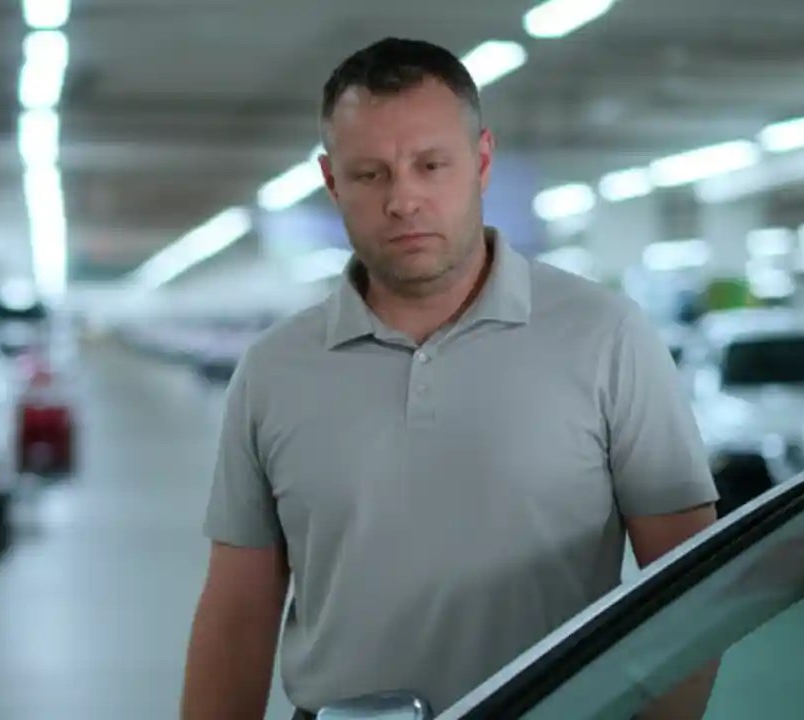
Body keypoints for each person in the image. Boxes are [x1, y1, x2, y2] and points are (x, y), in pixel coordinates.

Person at [181, 37, 719, 720]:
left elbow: (692, 589)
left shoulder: (607, 337)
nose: (404, 200)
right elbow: (238, 610)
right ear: (331, 181)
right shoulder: (274, 369)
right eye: (371, 174)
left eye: (431, 165)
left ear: (482, 162)